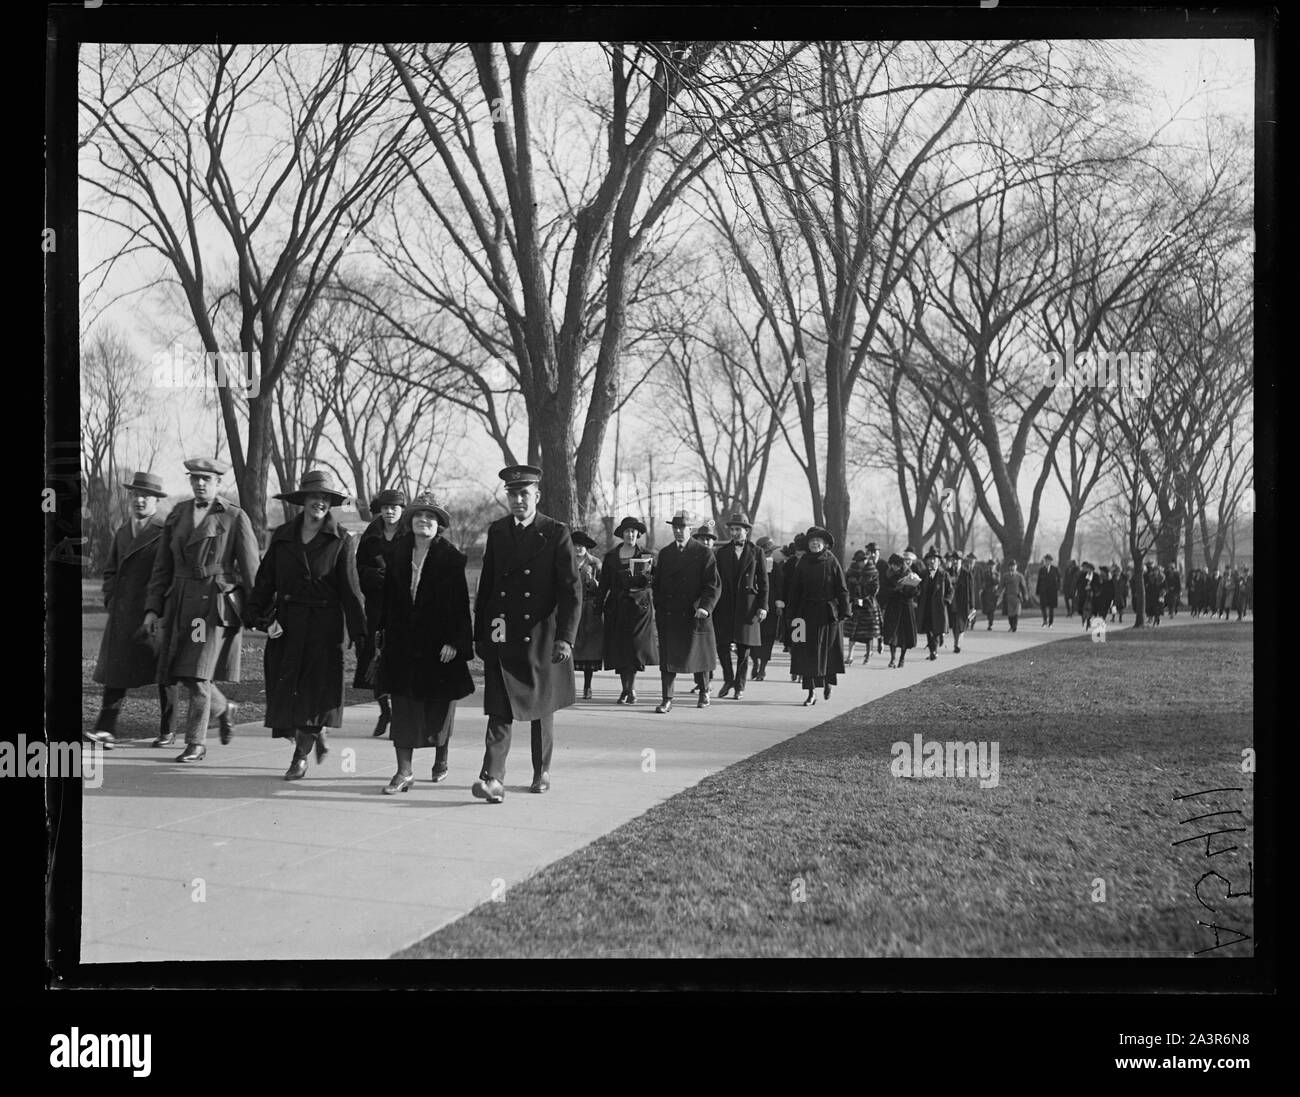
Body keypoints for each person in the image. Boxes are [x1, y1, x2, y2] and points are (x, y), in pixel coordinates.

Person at [245, 470, 367, 781]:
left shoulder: (341, 540)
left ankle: (300, 756)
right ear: (303, 501)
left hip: (325, 629)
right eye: (314, 497)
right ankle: (312, 735)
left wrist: (360, 632)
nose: (319, 503)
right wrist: (259, 616)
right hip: (287, 625)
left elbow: (351, 590)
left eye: (325, 499)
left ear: (330, 504)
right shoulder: (283, 536)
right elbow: (264, 581)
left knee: (316, 693)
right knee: (285, 694)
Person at [472, 465, 581, 803]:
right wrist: (481, 635)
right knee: (499, 706)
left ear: (537, 496)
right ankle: (492, 778)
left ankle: (541, 770)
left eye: (524, 494)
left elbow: (571, 591)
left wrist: (566, 636)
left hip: (541, 636)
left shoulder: (556, 532)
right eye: (512, 494)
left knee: (540, 708)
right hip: (503, 632)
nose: (518, 500)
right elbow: (487, 586)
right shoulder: (498, 531)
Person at [143, 457, 260, 763]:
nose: (200, 483)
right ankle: (224, 708)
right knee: (179, 669)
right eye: (195, 478)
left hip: (212, 601)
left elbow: (250, 568)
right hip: (179, 600)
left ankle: (196, 741)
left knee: (197, 673)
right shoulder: (178, 514)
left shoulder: (234, 516)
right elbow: (162, 567)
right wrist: (153, 608)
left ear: (218, 483)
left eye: (206, 479)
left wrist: (260, 610)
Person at [374, 494, 474, 793]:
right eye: (419, 516)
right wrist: (381, 634)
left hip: (439, 646)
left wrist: (455, 642)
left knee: (438, 710)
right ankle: (404, 771)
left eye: (431, 517)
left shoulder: (451, 558)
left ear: (439, 524)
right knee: (403, 709)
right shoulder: (396, 554)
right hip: (403, 645)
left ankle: (441, 756)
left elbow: (460, 605)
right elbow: (388, 600)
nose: (424, 521)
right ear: (411, 520)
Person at [86, 471, 178, 749]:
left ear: (156, 501)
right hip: (123, 614)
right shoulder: (122, 531)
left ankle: (168, 728)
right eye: (136, 495)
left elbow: (170, 574)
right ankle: (105, 729)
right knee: (116, 672)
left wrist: (160, 610)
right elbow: (110, 570)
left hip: (154, 615)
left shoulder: (164, 532)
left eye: (146, 496)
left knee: (164, 674)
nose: (140, 500)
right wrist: (111, 599)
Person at [651, 510, 721, 712]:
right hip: (670, 614)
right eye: (675, 528)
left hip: (695, 613)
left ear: (690, 529)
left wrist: (705, 607)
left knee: (699, 655)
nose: (678, 532)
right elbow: (658, 584)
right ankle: (667, 698)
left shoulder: (703, 553)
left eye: (682, 528)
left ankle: (704, 691)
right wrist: (660, 607)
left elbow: (713, 585)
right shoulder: (665, 553)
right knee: (668, 659)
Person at [354, 488, 406, 738]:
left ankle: (399, 716)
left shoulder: (410, 534)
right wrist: (373, 576)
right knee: (375, 661)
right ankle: (385, 711)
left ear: (402, 509)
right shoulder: (371, 535)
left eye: (394, 507)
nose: (389, 512)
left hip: (404, 608)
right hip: (376, 606)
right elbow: (357, 568)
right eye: (385, 507)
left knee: (399, 660)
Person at [787, 526, 850, 704]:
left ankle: (828, 682)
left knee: (828, 651)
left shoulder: (832, 561)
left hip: (827, 614)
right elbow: (795, 591)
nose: (815, 543)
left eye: (818, 541)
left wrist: (845, 610)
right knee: (804, 651)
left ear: (824, 544)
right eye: (812, 541)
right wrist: (791, 615)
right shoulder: (803, 562)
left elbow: (842, 588)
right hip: (805, 614)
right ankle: (811, 692)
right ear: (807, 545)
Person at [599, 516, 658, 704]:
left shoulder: (646, 555)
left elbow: (655, 580)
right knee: (620, 650)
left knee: (634, 650)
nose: (630, 534)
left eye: (633, 531)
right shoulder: (610, 556)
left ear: (638, 534)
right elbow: (604, 585)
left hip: (639, 609)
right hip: (617, 608)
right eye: (626, 531)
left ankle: (630, 689)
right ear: (622, 534)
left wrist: (646, 581)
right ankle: (625, 689)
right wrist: (598, 605)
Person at [712, 511, 768, 700]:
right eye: (732, 529)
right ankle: (729, 679)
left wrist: (763, 606)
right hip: (725, 605)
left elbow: (764, 581)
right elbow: (716, 581)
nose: (735, 533)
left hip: (748, 605)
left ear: (746, 531)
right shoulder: (721, 553)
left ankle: (740, 686)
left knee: (744, 648)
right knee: (722, 645)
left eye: (739, 529)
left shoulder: (756, 552)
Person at [571, 531, 605, 699]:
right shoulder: (565, 562)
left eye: (581, 546)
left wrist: (596, 584)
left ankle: (587, 687)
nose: (578, 548)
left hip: (590, 610)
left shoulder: (595, 564)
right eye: (575, 545)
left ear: (587, 547)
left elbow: (604, 590)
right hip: (571, 609)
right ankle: (568, 687)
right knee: (570, 647)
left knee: (590, 651)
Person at [845, 544, 884, 664]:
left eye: (862, 561)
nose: (861, 563)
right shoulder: (852, 572)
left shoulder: (873, 572)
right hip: (856, 605)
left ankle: (868, 654)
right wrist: (854, 597)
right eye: (859, 561)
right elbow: (847, 586)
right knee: (853, 632)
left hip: (869, 605)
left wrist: (865, 595)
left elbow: (875, 588)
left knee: (869, 632)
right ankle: (850, 656)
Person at [751, 536, 782, 681]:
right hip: (754, 606)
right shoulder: (752, 564)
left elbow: (780, 587)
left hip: (769, 607)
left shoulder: (776, 567)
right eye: (767, 551)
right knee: (753, 636)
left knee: (767, 638)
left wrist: (778, 604)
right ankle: (756, 664)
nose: (768, 554)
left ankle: (762, 667)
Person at [881, 552, 920, 667]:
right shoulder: (887, 574)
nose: (893, 567)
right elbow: (883, 590)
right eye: (892, 564)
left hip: (905, 607)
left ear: (900, 565)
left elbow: (916, 591)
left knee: (904, 634)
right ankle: (893, 658)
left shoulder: (909, 574)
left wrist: (907, 589)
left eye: (896, 565)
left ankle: (902, 658)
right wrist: (894, 590)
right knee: (892, 634)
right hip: (893, 606)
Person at [917, 549, 954, 660]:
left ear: (939, 561)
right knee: (929, 630)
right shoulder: (923, 574)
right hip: (926, 606)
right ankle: (932, 650)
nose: (932, 561)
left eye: (934, 559)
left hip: (939, 607)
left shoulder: (944, 575)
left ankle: (934, 650)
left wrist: (946, 600)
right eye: (930, 559)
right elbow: (918, 589)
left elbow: (950, 590)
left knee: (936, 629)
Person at [949, 551, 976, 654]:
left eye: (957, 560)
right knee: (955, 625)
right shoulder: (948, 572)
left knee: (961, 625)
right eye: (953, 560)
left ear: (961, 561)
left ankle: (958, 644)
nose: (955, 562)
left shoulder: (967, 574)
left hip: (963, 603)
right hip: (952, 603)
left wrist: (972, 606)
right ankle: (956, 643)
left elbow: (971, 591)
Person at [999, 559, 1028, 632]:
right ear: (1009, 567)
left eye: (1014, 566)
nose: (1012, 567)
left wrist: (1025, 595)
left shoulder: (1019, 576)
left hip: (1017, 596)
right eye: (1011, 566)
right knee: (1010, 614)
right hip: (1008, 597)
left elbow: (1023, 587)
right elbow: (1001, 586)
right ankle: (1011, 625)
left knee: (1016, 613)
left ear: (1016, 566)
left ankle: (1014, 626)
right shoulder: (1005, 576)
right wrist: (998, 594)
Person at [1035, 553, 1060, 628]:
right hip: (1043, 591)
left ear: (1051, 561)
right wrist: (1037, 591)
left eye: (1049, 560)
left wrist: (1058, 588)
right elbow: (1039, 581)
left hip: (1052, 591)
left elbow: (1059, 580)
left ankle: (1051, 623)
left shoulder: (1055, 569)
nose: (1047, 562)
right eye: (1046, 560)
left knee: (1051, 608)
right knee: (1043, 607)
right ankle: (1045, 621)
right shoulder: (1041, 570)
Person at [1074, 562, 1097, 628]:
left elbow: (1097, 585)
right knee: (1083, 608)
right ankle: (1083, 620)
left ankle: (1088, 621)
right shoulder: (1082, 576)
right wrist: (1084, 587)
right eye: (1088, 569)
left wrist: (1091, 587)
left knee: (1090, 609)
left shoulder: (1095, 576)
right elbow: (1078, 584)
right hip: (1083, 594)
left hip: (1092, 595)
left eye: (1090, 569)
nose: (1088, 570)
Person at [979, 559, 998, 630]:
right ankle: (990, 621)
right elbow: (983, 581)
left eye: (992, 565)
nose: (991, 567)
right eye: (990, 565)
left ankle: (990, 624)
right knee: (987, 610)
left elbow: (997, 582)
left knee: (992, 610)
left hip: (993, 594)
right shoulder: (985, 573)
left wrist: (993, 575)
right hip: (986, 593)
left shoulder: (997, 574)